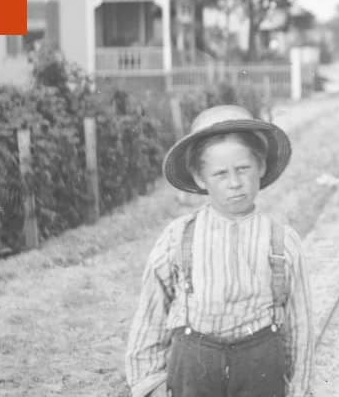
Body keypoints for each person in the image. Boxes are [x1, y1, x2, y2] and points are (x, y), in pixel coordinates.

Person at [125, 105, 313, 397]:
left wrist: (299, 389)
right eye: (220, 174)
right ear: (201, 178)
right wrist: (148, 383)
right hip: (195, 372)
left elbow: (300, 325)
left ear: (261, 167)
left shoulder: (282, 241)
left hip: (260, 371)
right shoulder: (178, 237)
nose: (235, 183)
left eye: (243, 169)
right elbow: (151, 315)